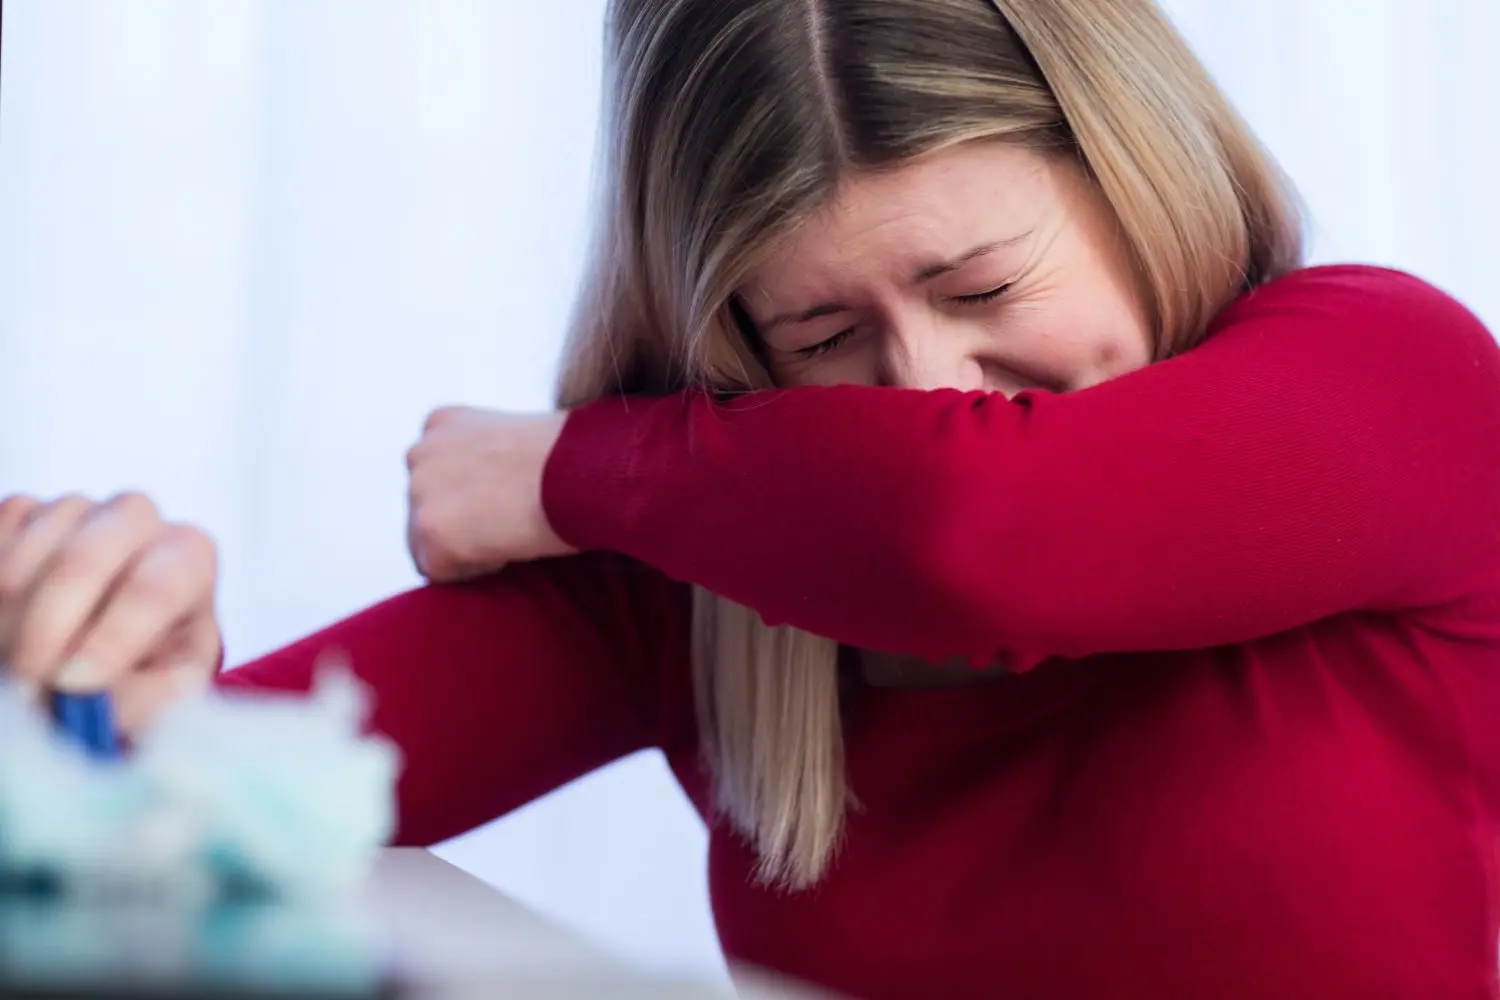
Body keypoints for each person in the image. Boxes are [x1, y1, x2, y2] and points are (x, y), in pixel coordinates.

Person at [3, 0, 1499, 996]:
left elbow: (978, 533)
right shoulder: (710, 561)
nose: (927, 391)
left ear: (1138, 175)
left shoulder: (1390, 375)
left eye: (982, 287)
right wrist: (90, 687)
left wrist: (571, 465)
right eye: (823, 341)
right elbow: (186, 809)